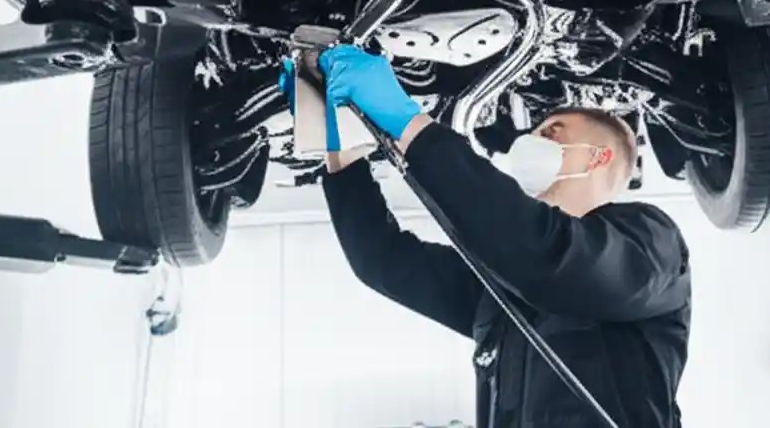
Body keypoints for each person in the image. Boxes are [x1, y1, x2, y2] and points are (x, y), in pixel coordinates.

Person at [289, 44, 691, 428]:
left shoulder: (653, 242)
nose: (533, 142)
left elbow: (545, 255)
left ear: (597, 156)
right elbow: (385, 262)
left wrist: (410, 125)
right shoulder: (506, 277)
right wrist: (340, 152)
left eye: (552, 132)